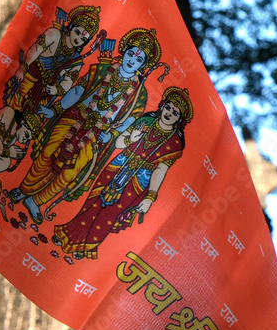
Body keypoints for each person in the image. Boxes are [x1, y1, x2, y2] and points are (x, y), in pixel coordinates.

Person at [9, 27, 165, 225]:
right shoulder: (101, 69)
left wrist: (114, 134)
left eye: (139, 59)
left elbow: (130, 121)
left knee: (71, 173)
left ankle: (36, 201)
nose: (133, 59)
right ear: (124, 52)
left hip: (98, 135)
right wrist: (55, 110)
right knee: (47, 153)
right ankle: (24, 190)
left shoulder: (139, 95)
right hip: (75, 116)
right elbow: (77, 92)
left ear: (143, 65)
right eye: (131, 53)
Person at [53, 86, 193, 259]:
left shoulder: (175, 143)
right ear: (163, 105)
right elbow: (119, 143)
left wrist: (150, 197)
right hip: (119, 164)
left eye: (175, 113)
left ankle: (86, 246)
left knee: (111, 212)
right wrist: (130, 138)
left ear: (180, 120)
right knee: (94, 200)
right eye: (169, 107)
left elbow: (161, 169)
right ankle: (69, 234)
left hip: (140, 179)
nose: (169, 113)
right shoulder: (147, 120)